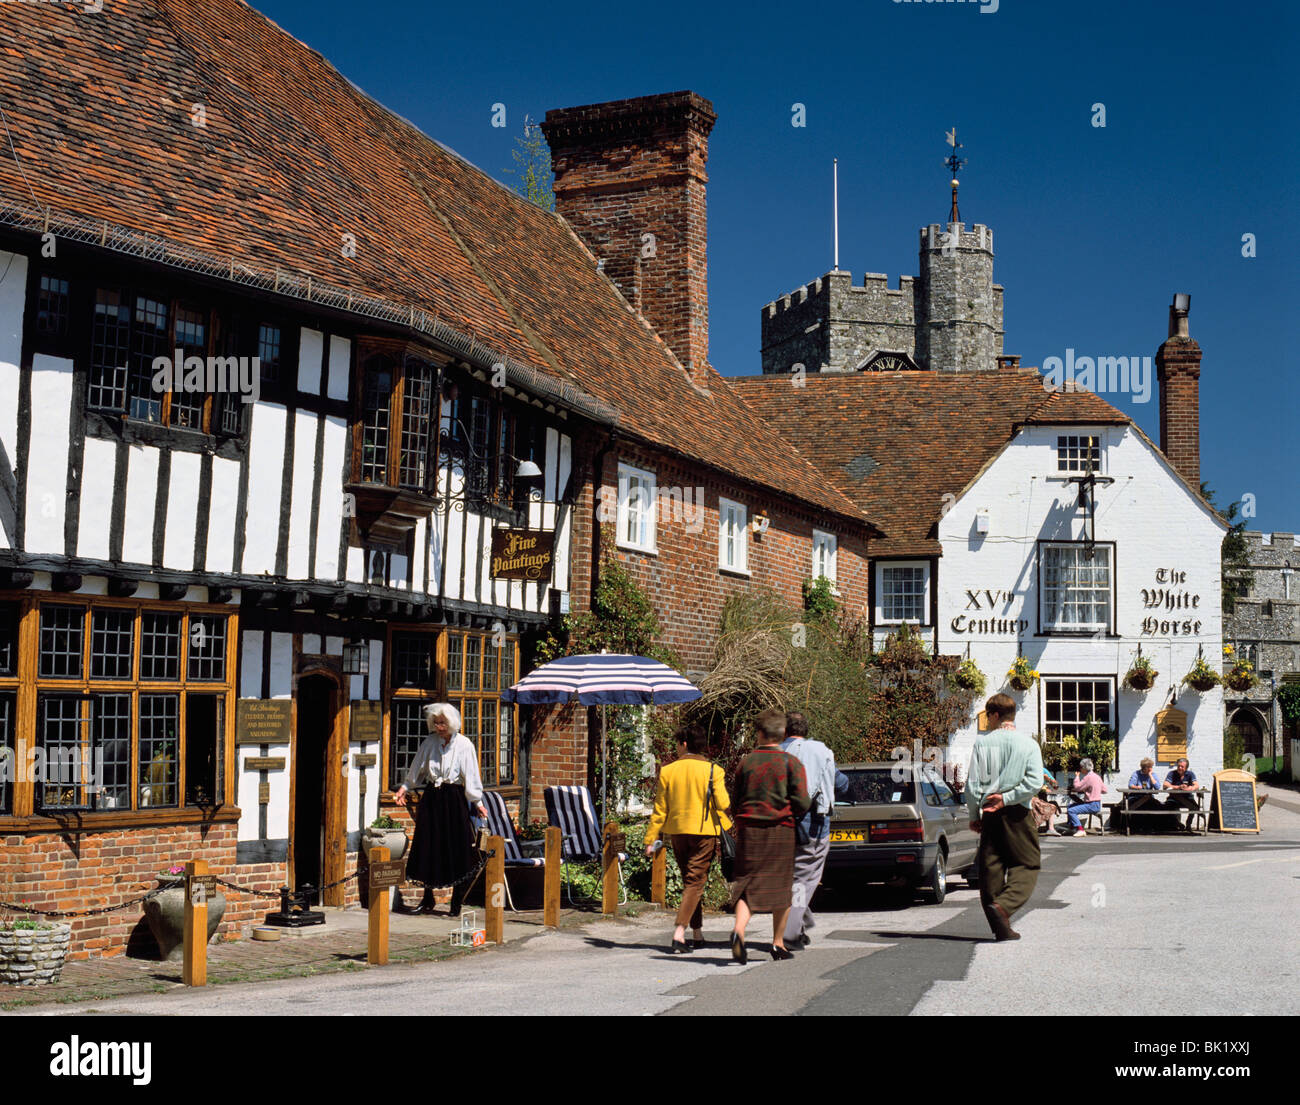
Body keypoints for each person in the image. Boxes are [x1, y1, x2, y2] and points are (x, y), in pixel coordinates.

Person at [729, 708, 811, 964]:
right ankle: (777, 944)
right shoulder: (791, 763)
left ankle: (739, 931)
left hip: (749, 831)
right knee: (782, 888)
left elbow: (735, 800)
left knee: (746, 882)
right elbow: (802, 801)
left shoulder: (746, 762)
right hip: (780, 831)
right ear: (783, 734)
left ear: (759, 734)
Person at [643, 724, 733, 953]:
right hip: (705, 832)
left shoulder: (668, 771)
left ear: (684, 744)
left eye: (677, 743)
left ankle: (697, 933)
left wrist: (651, 838)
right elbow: (724, 804)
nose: (676, 747)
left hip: (678, 833)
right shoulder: (714, 770)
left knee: (691, 883)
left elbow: (660, 809)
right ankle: (679, 934)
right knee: (695, 883)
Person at [392, 703, 488, 916]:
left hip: (454, 800)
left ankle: (456, 903)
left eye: (443, 723)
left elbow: (471, 776)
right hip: (433, 798)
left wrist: (478, 802)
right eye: (436, 723)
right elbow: (416, 768)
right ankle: (428, 899)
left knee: (456, 847)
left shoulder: (464, 745)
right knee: (428, 844)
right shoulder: (429, 742)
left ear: (452, 722)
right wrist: (405, 788)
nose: (439, 727)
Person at [966, 693, 1044, 941]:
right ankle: (1004, 908)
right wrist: (1008, 798)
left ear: (996, 715)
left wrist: (974, 812)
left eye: (988, 716)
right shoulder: (1029, 744)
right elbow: (1035, 781)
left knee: (991, 867)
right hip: (1018, 812)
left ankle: (1000, 926)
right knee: (1027, 864)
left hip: (989, 810)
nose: (987, 721)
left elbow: (972, 784)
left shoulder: (982, 743)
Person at [779, 710, 848, 949]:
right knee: (804, 879)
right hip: (812, 826)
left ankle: (801, 922)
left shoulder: (775, 751)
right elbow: (840, 783)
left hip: (779, 826)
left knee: (793, 877)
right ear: (805, 730)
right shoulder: (820, 751)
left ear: (784, 731)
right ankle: (790, 931)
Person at [1067, 758, 1105, 836]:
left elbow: (1077, 787)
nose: (1080, 770)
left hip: (1091, 805)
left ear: (1084, 768)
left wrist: (1077, 776)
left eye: (1081, 767)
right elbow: (1104, 790)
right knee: (1070, 806)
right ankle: (1073, 828)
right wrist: (1093, 790)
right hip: (1097, 804)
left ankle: (1080, 830)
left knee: (1071, 810)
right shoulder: (1097, 776)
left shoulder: (1088, 777)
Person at [1162, 757, 1200, 831]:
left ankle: (1188, 824)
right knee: (1166, 807)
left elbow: (1196, 785)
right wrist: (1178, 787)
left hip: (1187, 798)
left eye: (1182, 766)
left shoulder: (1190, 774)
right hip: (1174, 798)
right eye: (1178, 766)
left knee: (1195, 807)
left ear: (1186, 768)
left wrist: (1190, 788)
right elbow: (1165, 785)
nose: (1179, 768)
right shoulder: (1172, 773)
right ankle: (1178, 823)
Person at [1031, 768, 1060, 835]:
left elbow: (1056, 786)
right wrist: (1043, 788)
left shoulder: (1043, 770)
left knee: (1051, 805)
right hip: (1031, 797)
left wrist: (1049, 779)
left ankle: (1051, 829)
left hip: (1041, 797)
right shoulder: (1028, 769)